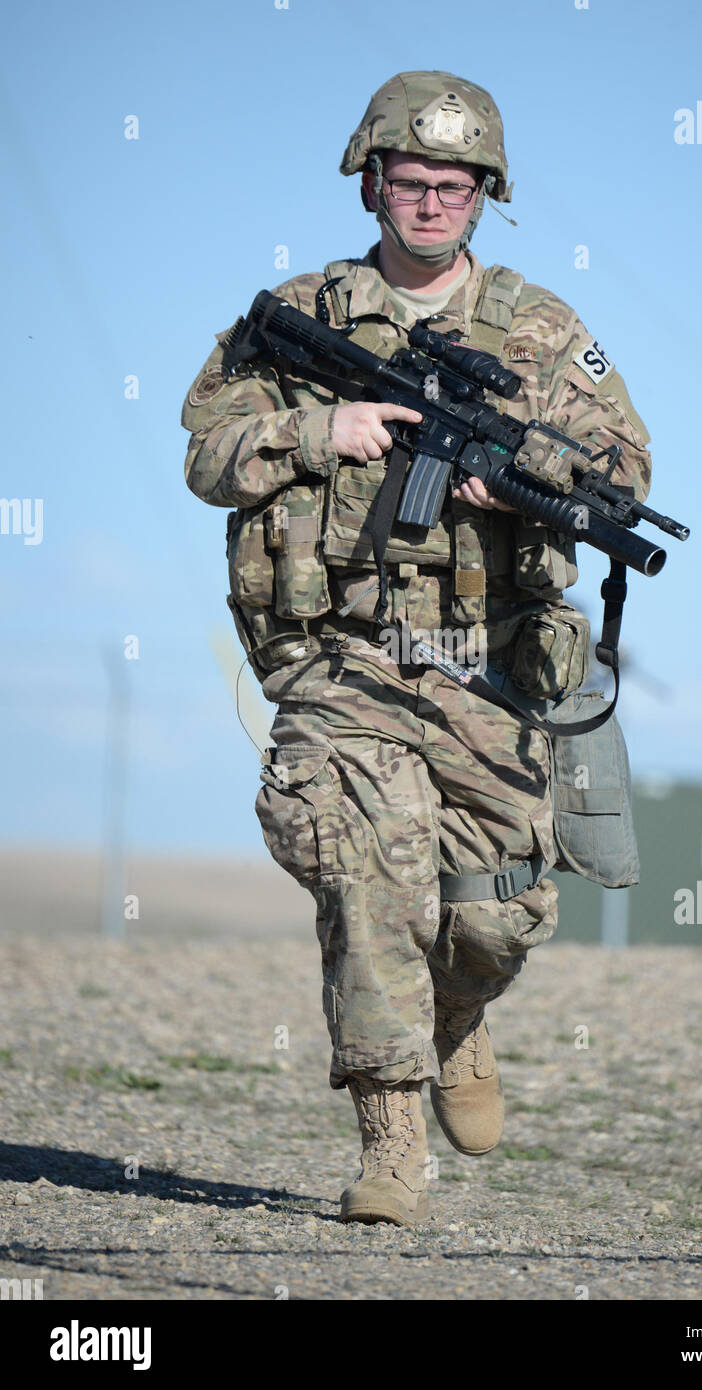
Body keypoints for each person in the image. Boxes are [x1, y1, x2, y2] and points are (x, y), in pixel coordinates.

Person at [181, 71, 652, 1227]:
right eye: (410, 179)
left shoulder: (541, 331)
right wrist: (316, 428)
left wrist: (527, 479)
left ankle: (457, 1019)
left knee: (492, 911)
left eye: (454, 185)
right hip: (336, 653)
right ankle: (391, 1142)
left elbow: (625, 471)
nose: (430, 202)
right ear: (370, 180)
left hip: (484, 656)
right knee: (366, 856)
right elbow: (205, 452)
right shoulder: (298, 315)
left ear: (484, 194)